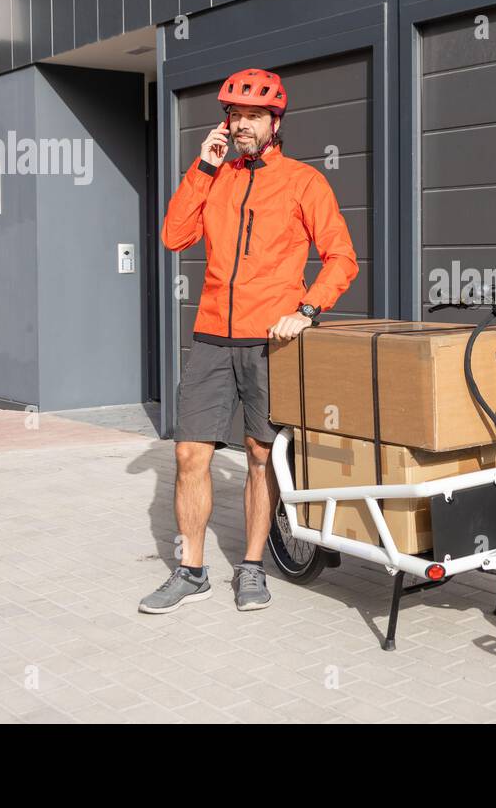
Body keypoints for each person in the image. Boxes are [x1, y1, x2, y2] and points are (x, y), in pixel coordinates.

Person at [139, 68, 358, 614]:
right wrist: (203, 166)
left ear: (274, 122)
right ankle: (191, 570)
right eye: (234, 115)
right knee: (190, 453)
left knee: (260, 456)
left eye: (253, 116)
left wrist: (306, 310)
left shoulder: (305, 182)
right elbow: (173, 236)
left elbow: (341, 258)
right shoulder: (215, 175)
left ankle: (253, 566)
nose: (241, 125)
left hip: (269, 340)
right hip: (212, 334)